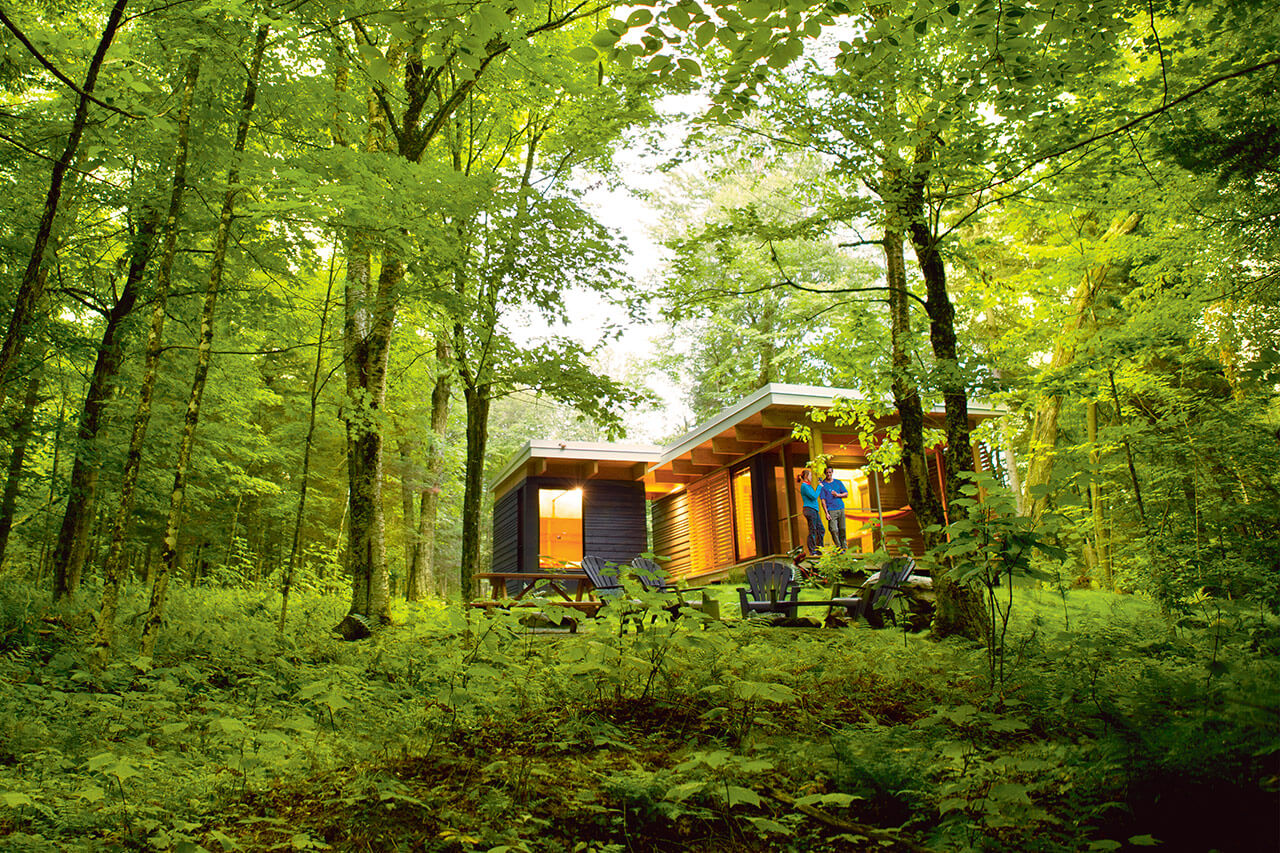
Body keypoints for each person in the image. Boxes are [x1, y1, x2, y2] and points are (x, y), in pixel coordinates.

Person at [819, 466, 849, 552]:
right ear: (825, 473)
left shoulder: (838, 482)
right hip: (831, 510)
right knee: (833, 529)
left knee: (842, 528)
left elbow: (846, 494)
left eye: (830, 472)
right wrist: (826, 513)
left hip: (840, 508)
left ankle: (844, 547)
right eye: (827, 472)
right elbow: (823, 500)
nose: (828, 474)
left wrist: (837, 495)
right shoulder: (823, 485)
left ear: (832, 473)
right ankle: (839, 547)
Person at [797, 468, 823, 556]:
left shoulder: (808, 486)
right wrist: (819, 486)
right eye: (810, 476)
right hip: (809, 509)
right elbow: (814, 496)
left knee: (821, 529)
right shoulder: (804, 486)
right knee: (813, 530)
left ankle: (819, 549)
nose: (811, 477)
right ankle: (813, 551)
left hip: (814, 510)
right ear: (806, 476)